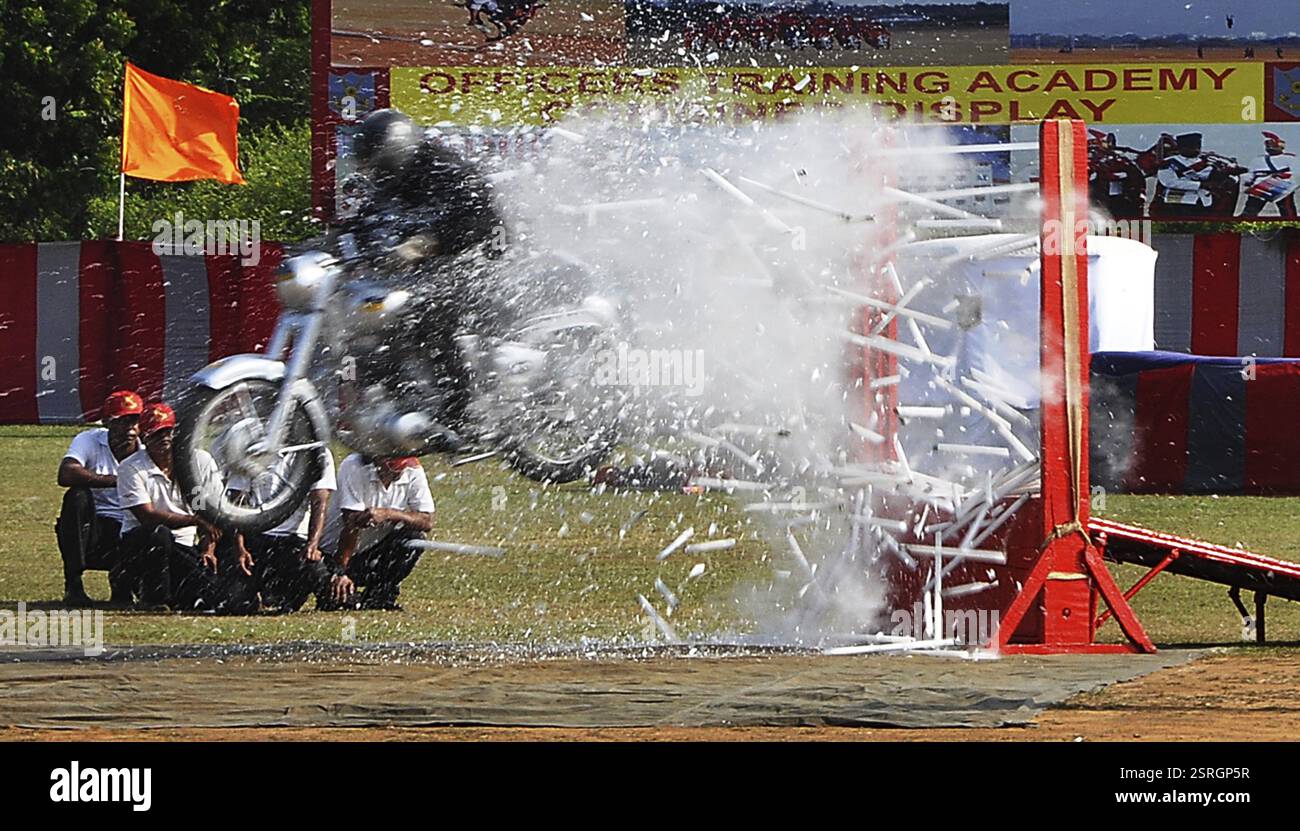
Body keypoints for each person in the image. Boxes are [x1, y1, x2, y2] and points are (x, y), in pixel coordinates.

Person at [116, 404, 256, 614]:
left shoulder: (198, 461)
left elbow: (213, 511)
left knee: (232, 537)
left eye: (168, 432)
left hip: (185, 545)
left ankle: (238, 590)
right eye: (156, 434)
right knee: (158, 534)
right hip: (144, 546)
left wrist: (209, 548)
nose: (164, 439)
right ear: (144, 438)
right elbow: (148, 516)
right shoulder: (131, 467)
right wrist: (196, 522)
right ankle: (154, 598)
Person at [55, 390, 144, 607]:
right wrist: (118, 480)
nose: (130, 428)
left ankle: (123, 586)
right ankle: (73, 585)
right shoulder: (89, 440)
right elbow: (66, 473)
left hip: (131, 525)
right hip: (94, 526)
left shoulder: (149, 449)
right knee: (76, 497)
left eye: (134, 420)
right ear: (107, 423)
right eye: (122, 421)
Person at [319, 454, 434, 611]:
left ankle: (380, 595)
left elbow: (426, 521)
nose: (398, 473)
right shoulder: (354, 466)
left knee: (414, 539)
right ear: (378, 460)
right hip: (334, 554)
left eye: (400, 468)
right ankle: (337, 588)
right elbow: (351, 526)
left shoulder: (413, 469)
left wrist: (388, 514)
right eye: (392, 468)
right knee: (334, 601)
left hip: (369, 554)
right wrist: (340, 571)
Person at [231, 448, 337, 612]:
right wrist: (240, 548)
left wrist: (312, 544)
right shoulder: (253, 447)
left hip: (292, 538)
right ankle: (257, 595)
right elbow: (235, 504)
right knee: (233, 603)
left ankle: (293, 595)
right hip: (256, 536)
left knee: (316, 573)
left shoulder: (317, 451)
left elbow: (319, 502)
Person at [1154, 132, 1215, 216]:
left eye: (1198, 146)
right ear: (1181, 148)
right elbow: (1169, 182)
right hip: (1177, 203)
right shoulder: (1169, 162)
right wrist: (1200, 185)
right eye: (1192, 147)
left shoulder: (1206, 162)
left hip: (1203, 202)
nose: (1196, 149)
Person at [1241, 131, 1297, 218]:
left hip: (1276, 186)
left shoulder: (1290, 158)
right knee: (1288, 213)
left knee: (1287, 211)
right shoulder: (1258, 160)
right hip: (1268, 186)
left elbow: (1249, 178)